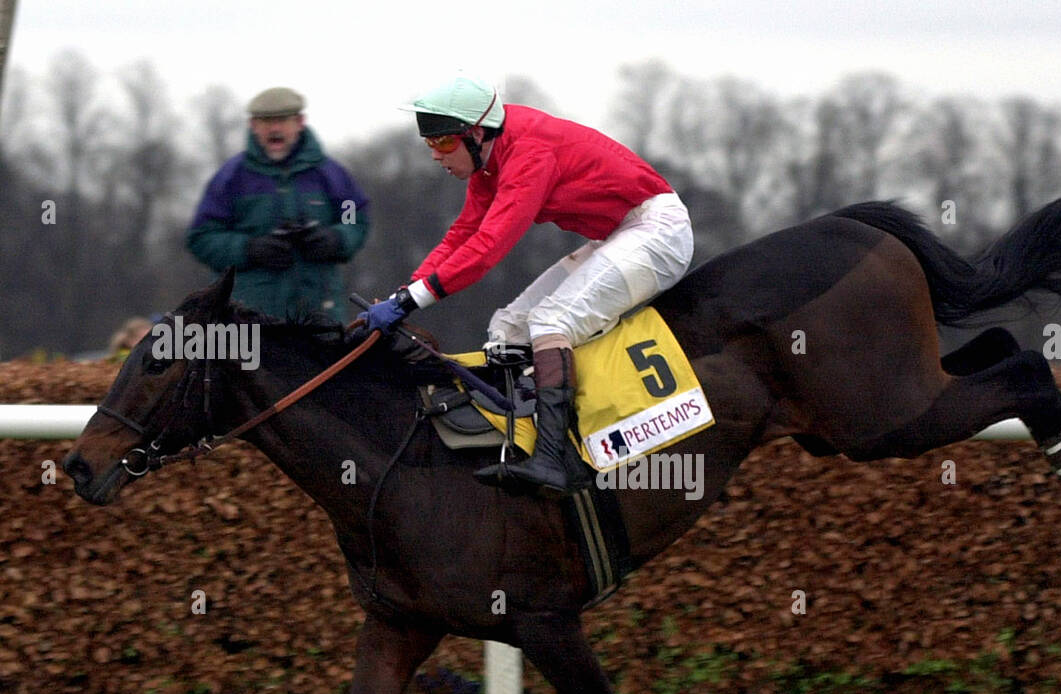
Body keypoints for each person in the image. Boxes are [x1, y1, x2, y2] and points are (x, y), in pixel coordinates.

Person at [359, 72, 694, 499]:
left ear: (476, 133)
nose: (435, 156)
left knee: (552, 319)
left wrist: (410, 302)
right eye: (429, 144)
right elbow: (462, 233)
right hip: (620, 234)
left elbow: (486, 249)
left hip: (658, 231)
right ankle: (523, 441)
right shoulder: (490, 159)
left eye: (443, 143)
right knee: (509, 327)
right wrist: (402, 295)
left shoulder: (529, 154)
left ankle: (554, 461)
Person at [187, 87, 370, 320]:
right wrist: (249, 249)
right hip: (250, 320)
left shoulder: (331, 176)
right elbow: (202, 236)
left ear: (300, 122)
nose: (275, 129)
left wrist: (336, 238)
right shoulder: (230, 179)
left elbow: (353, 217)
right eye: (266, 122)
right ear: (253, 126)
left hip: (320, 317)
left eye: (282, 120)